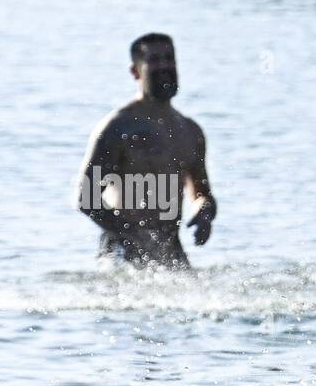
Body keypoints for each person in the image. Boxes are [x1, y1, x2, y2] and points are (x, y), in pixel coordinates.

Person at [76, 33, 217, 267]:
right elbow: (87, 197)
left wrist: (204, 215)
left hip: (172, 253)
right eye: (155, 60)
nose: (165, 66)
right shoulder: (118, 126)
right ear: (135, 71)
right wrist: (132, 236)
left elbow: (201, 193)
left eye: (169, 58)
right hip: (122, 255)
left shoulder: (191, 131)